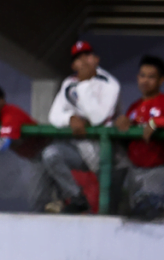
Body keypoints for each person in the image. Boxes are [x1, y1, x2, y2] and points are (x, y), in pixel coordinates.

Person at [41, 41, 121, 214]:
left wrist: (84, 84)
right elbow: (53, 116)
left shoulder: (110, 83)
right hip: (80, 148)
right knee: (51, 154)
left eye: (87, 55)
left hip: (107, 152)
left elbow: (98, 118)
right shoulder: (68, 83)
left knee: (113, 208)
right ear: (73, 65)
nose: (83, 61)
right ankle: (77, 197)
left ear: (96, 59)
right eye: (78, 58)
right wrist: (70, 118)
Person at [112, 56, 164, 219]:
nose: (145, 81)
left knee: (146, 207)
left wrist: (158, 121)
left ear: (161, 80)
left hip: (161, 168)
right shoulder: (133, 108)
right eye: (142, 76)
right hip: (135, 170)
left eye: (151, 77)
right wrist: (122, 124)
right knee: (135, 214)